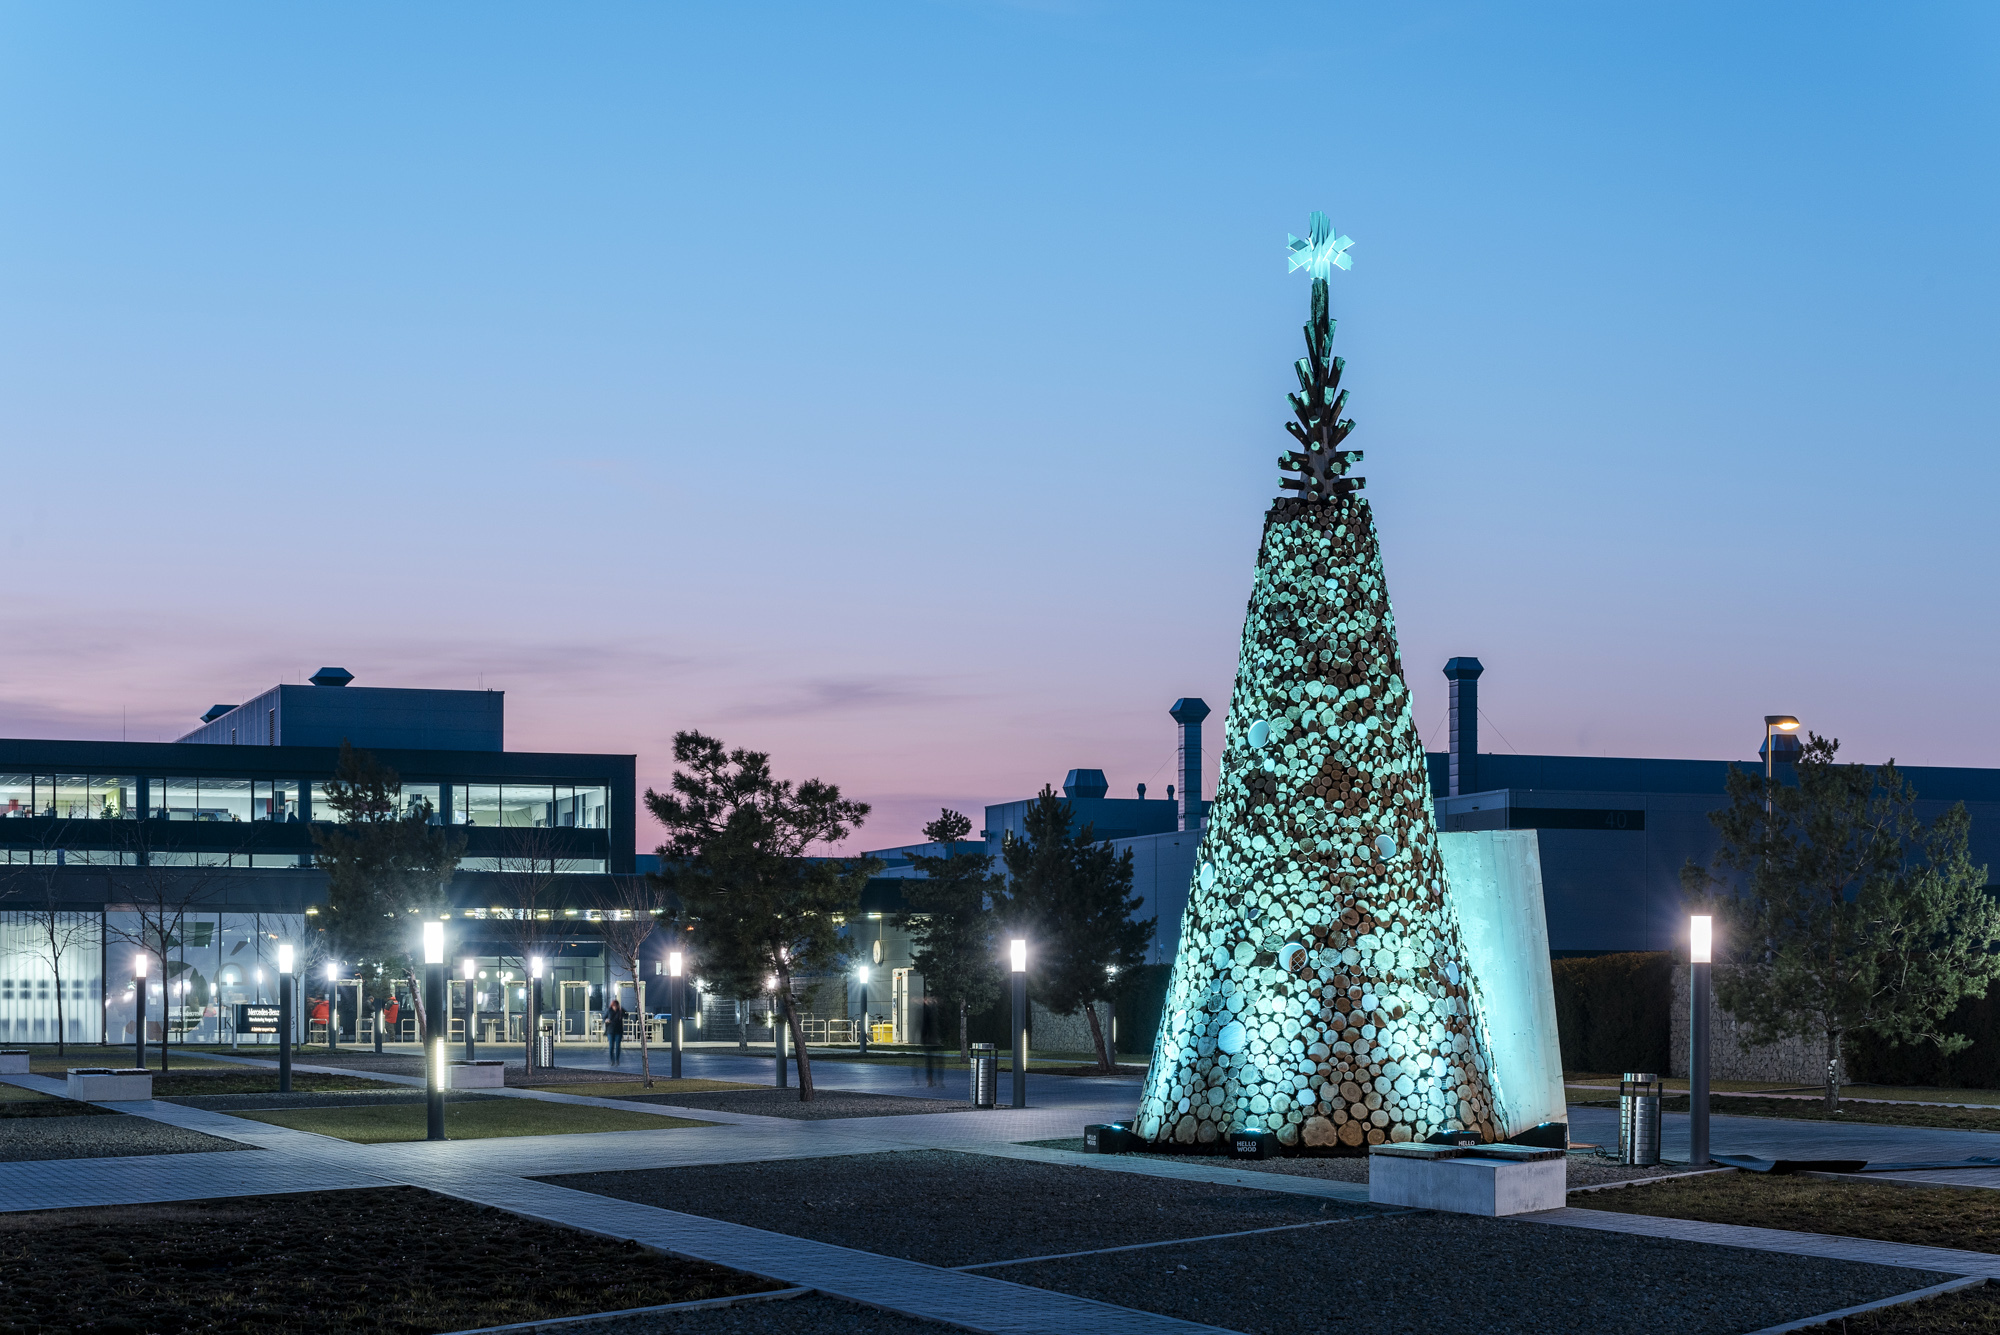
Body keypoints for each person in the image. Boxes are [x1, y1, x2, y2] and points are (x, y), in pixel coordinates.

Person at [605, 997, 625, 1065]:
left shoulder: (620, 1010)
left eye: (616, 1006)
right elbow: (604, 1017)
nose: (615, 1007)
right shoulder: (609, 1010)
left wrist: (621, 1010)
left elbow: (626, 1015)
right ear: (612, 1005)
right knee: (611, 1046)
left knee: (618, 1046)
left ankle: (617, 1060)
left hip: (618, 1031)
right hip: (610, 1030)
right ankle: (612, 1060)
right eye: (614, 1006)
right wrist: (606, 1020)